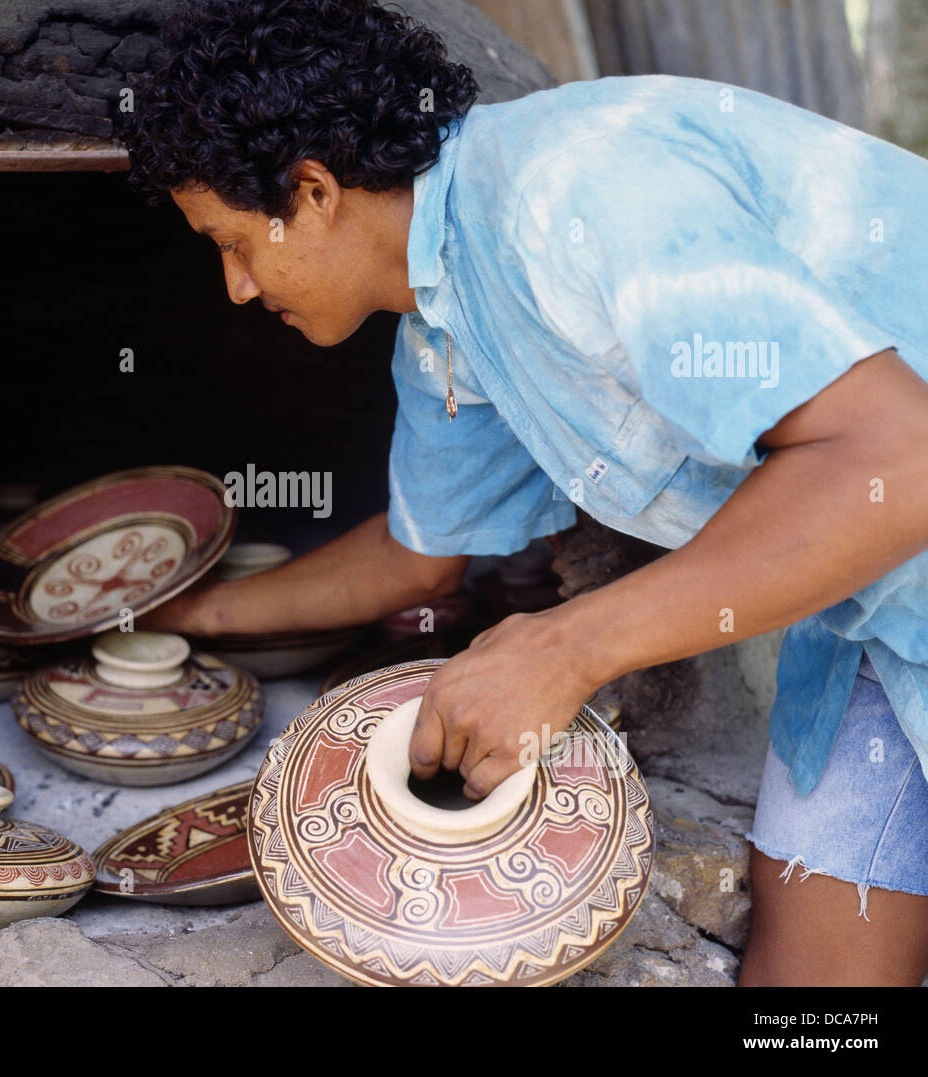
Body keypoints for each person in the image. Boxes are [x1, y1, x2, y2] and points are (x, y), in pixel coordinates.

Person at [115, 0, 928, 986]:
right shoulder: (446, 316)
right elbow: (415, 556)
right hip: (885, 627)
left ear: (315, 189)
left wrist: (566, 646)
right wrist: (162, 618)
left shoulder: (575, 193)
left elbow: (898, 456)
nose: (235, 287)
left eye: (232, 243)